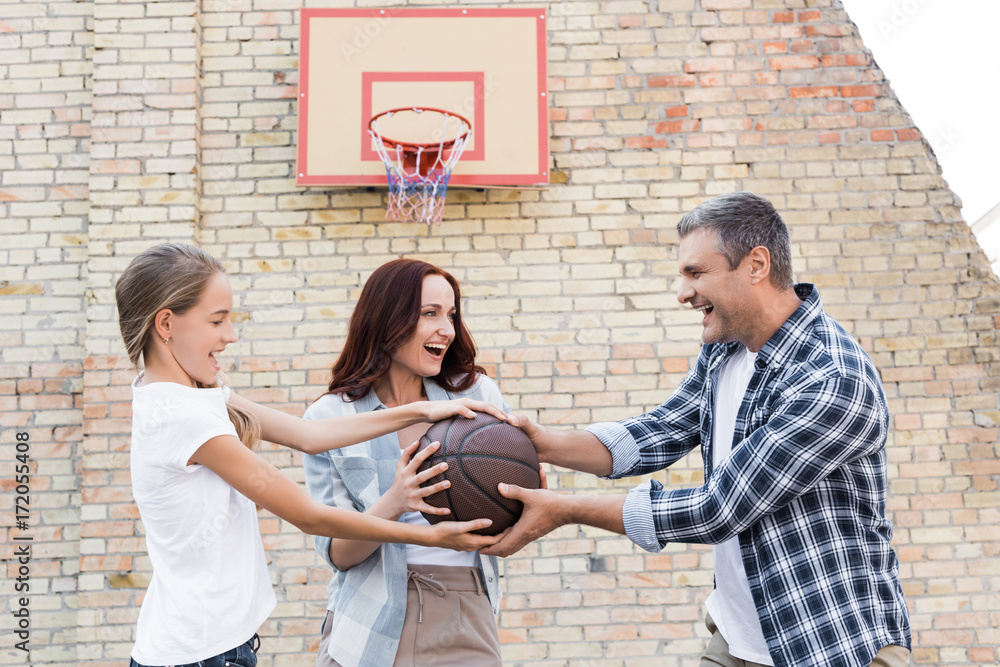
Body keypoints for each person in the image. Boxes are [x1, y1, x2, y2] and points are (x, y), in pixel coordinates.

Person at [481, 192, 912, 667]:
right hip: (738, 636)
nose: (683, 292)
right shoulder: (727, 346)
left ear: (756, 265)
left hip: (827, 642)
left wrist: (564, 509)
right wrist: (545, 444)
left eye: (695, 273)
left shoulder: (832, 378)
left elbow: (719, 508)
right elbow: (661, 430)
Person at [116, 243, 504, 667]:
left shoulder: (191, 397)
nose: (231, 334)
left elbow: (309, 434)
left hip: (209, 643)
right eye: (218, 320)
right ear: (167, 323)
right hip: (198, 652)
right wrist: (430, 536)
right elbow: (307, 515)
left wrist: (421, 409)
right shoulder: (182, 416)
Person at [302, 259, 517, 667]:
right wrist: (395, 501)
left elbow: (518, 501)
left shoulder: (476, 397)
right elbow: (338, 554)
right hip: (368, 614)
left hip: (464, 607)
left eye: (451, 315)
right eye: (429, 314)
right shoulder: (329, 419)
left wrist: (522, 497)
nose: (447, 330)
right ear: (386, 321)